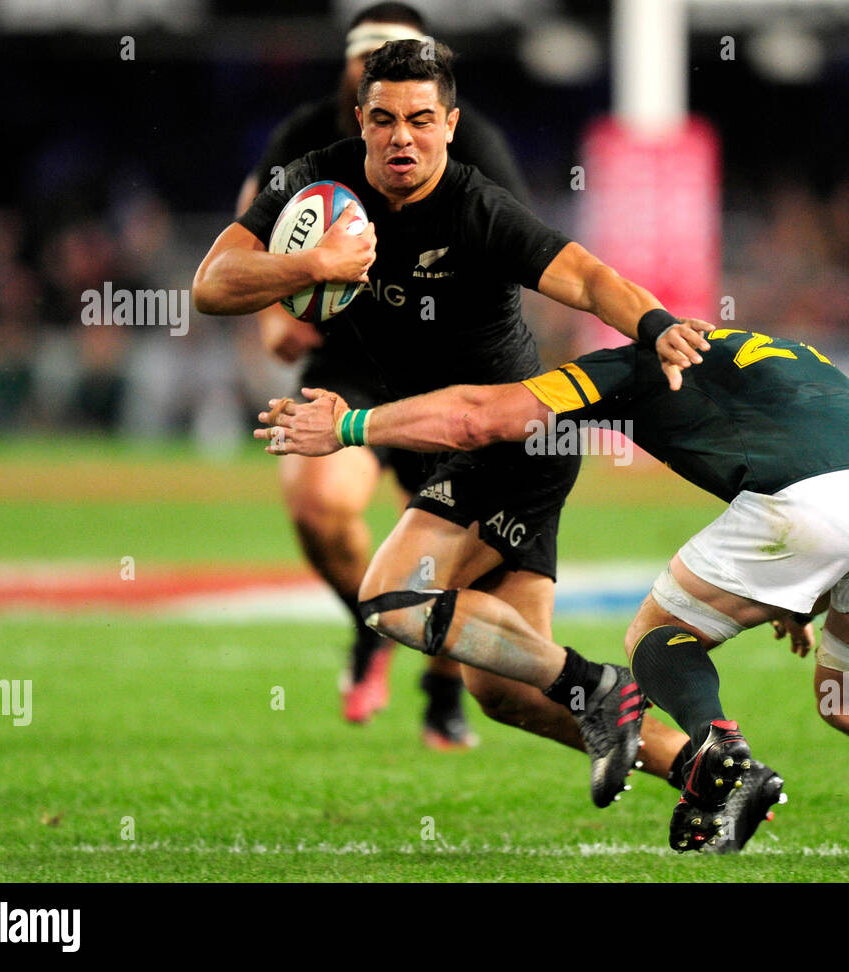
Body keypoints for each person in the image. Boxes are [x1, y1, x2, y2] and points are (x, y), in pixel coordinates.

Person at [195, 39, 782, 846]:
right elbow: (212, 284)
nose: (405, 138)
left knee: (391, 600)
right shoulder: (313, 183)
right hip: (459, 446)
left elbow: (582, 275)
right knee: (502, 686)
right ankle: (714, 775)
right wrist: (315, 262)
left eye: (423, 120)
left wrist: (653, 323)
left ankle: (601, 688)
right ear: (361, 123)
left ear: (450, 124)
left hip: (514, 444)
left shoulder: (475, 206)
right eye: (387, 120)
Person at [256, 325, 849, 866]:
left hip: (813, 498)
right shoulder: (779, 348)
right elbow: (806, 442)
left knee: (657, 638)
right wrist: (807, 581)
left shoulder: (626, 364)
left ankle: (719, 752)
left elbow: (487, 415)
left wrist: (355, 427)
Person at [235, 2, 531, 742]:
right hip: (352, 356)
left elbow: (519, 252)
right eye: (370, 55)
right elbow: (250, 215)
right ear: (351, 65)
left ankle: (439, 686)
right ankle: (370, 622)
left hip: (448, 368)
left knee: (460, 538)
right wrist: (275, 310)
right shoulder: (307, 137)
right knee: (316, 503)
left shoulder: (477, 144)